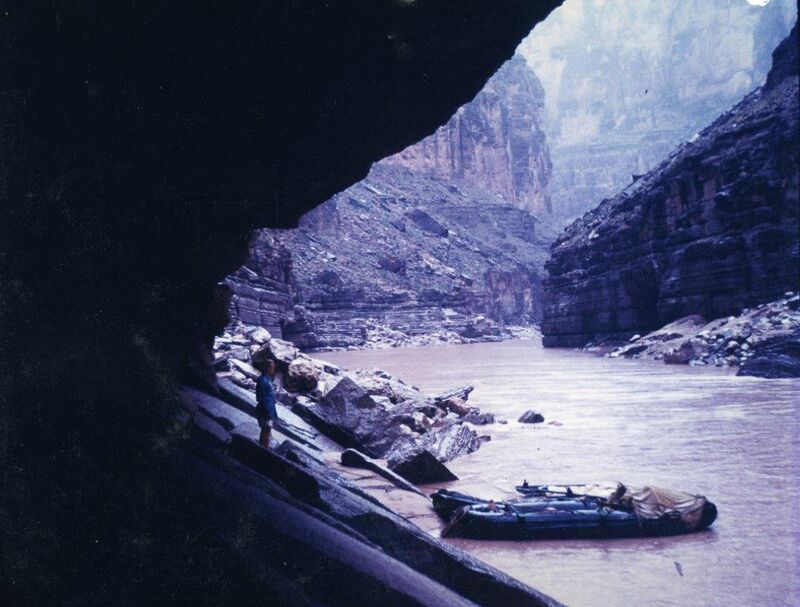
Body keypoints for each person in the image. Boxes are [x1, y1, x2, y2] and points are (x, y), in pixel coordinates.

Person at [256, 359, 278, 448]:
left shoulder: (267, 379)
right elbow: (262, 398)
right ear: (267, 368)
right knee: (266, 430)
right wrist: (268, 413)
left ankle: (264, 446)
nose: (274, 370)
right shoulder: (263, 381)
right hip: (265, 410)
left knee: (267, 430)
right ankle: (263, 448)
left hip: (269, 408)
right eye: (272, 368)